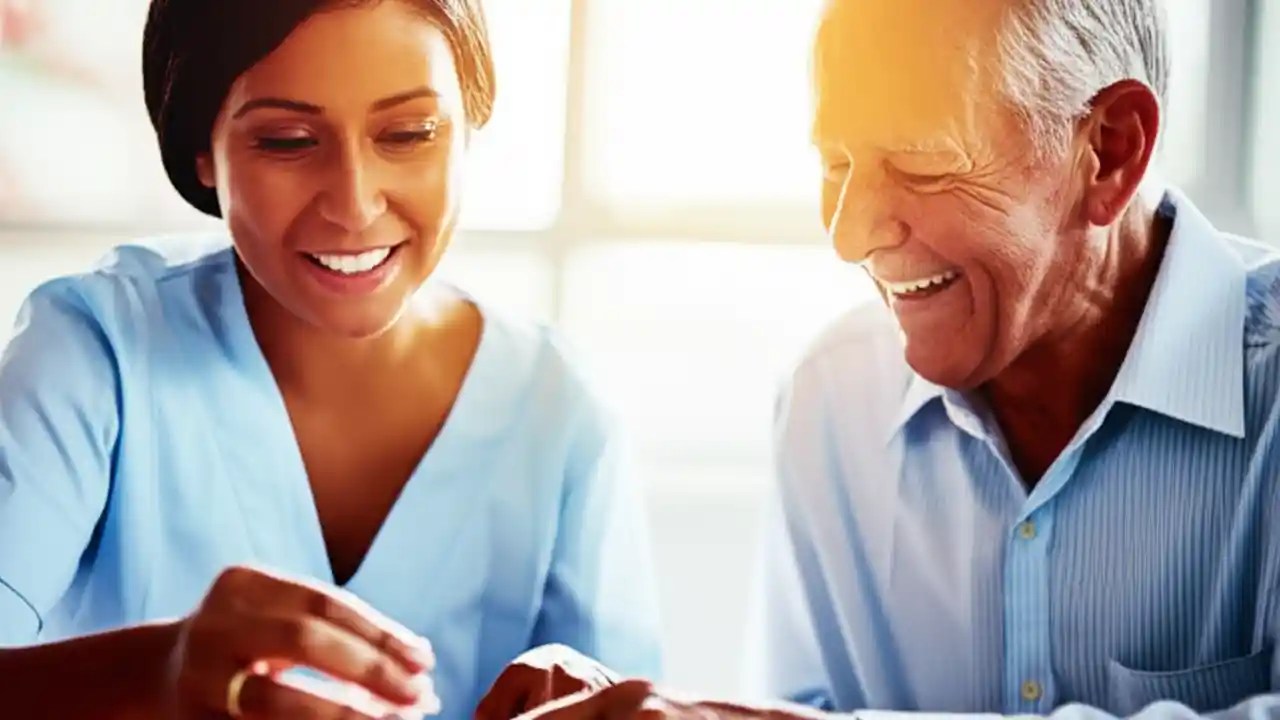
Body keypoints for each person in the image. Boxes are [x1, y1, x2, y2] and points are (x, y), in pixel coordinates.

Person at [476, 0, 1280, 718]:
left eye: (922, 162)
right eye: (837, 165)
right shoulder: (835, 401)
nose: (849, 233)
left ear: (1108, 151)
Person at [0, 1, 661, 717]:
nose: (353, 204)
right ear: (202, 150)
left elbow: (625, 695)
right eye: (286, 140)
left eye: (409, 133)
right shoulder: (96, 351)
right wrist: (156, 672)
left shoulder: (557, 408)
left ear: (470, 128)